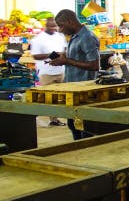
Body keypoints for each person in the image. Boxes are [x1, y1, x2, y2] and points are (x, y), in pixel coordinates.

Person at [50, 9, 100, 140]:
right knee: (73, 125)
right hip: (73, 90)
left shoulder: (87, 37)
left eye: (61, 26)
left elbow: (95, 65)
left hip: (85, 92)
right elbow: (74, 59)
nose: (60, 30)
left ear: (70, 22)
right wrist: (62, 59)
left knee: (85, 128)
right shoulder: (74, 37)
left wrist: (67, 60)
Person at [30, 17, 67, 126]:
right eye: (50, 26)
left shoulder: (60, 36)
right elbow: (35, 56)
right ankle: (32, 115)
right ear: (45, 26)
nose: (53, 28)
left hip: (60, 70)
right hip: (46, 72)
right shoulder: (38, 39)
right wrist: (51, 55)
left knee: (56, 97)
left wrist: (62, 55)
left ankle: (54, 119)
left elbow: (64, 50)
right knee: (45, 96)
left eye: (54, 26)